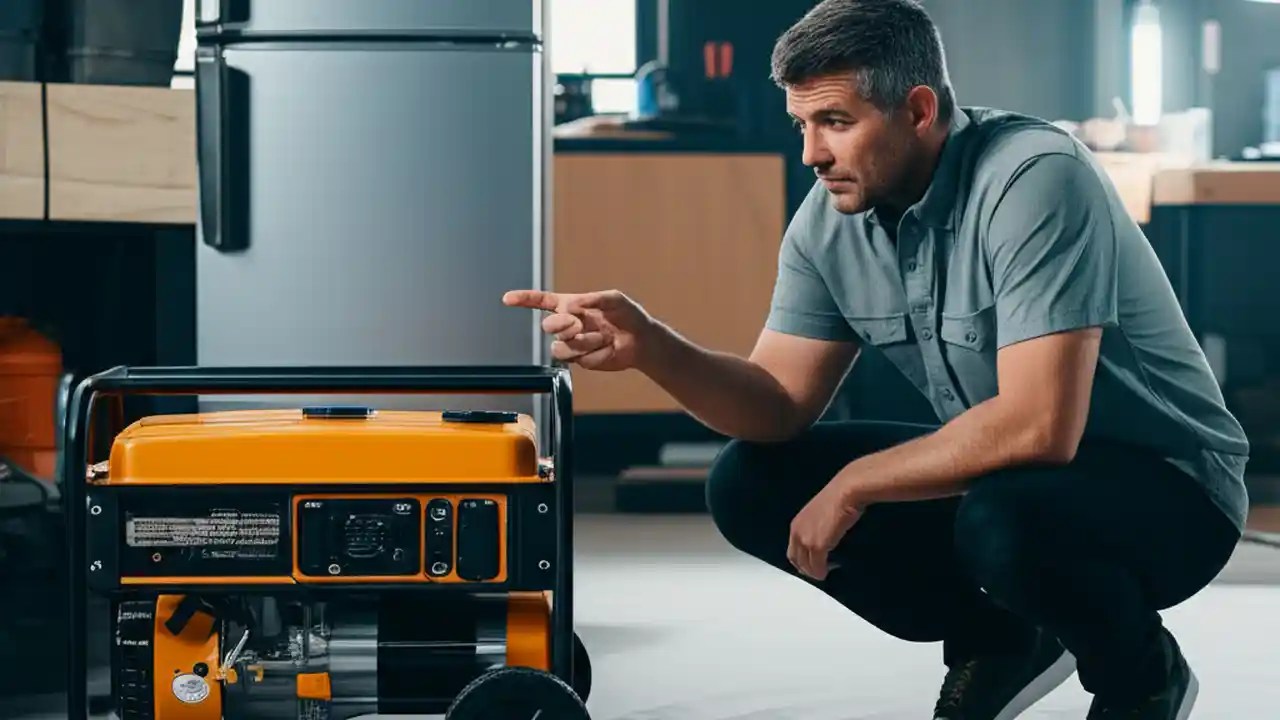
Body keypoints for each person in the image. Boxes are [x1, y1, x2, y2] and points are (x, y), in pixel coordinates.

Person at [504, 0, 1248, 717]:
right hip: (1014, 481)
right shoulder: (831, 218)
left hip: (1173, 492)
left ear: (919, 111)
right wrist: (653, 347)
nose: (811, 155)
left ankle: (1140, 679)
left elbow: (1041, 426)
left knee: (1004, 521)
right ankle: (1001, 641)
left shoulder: (1035, 176)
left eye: (835, 122)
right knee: (749, 482)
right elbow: (775, 404)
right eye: (800, 124)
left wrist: (858, 484)